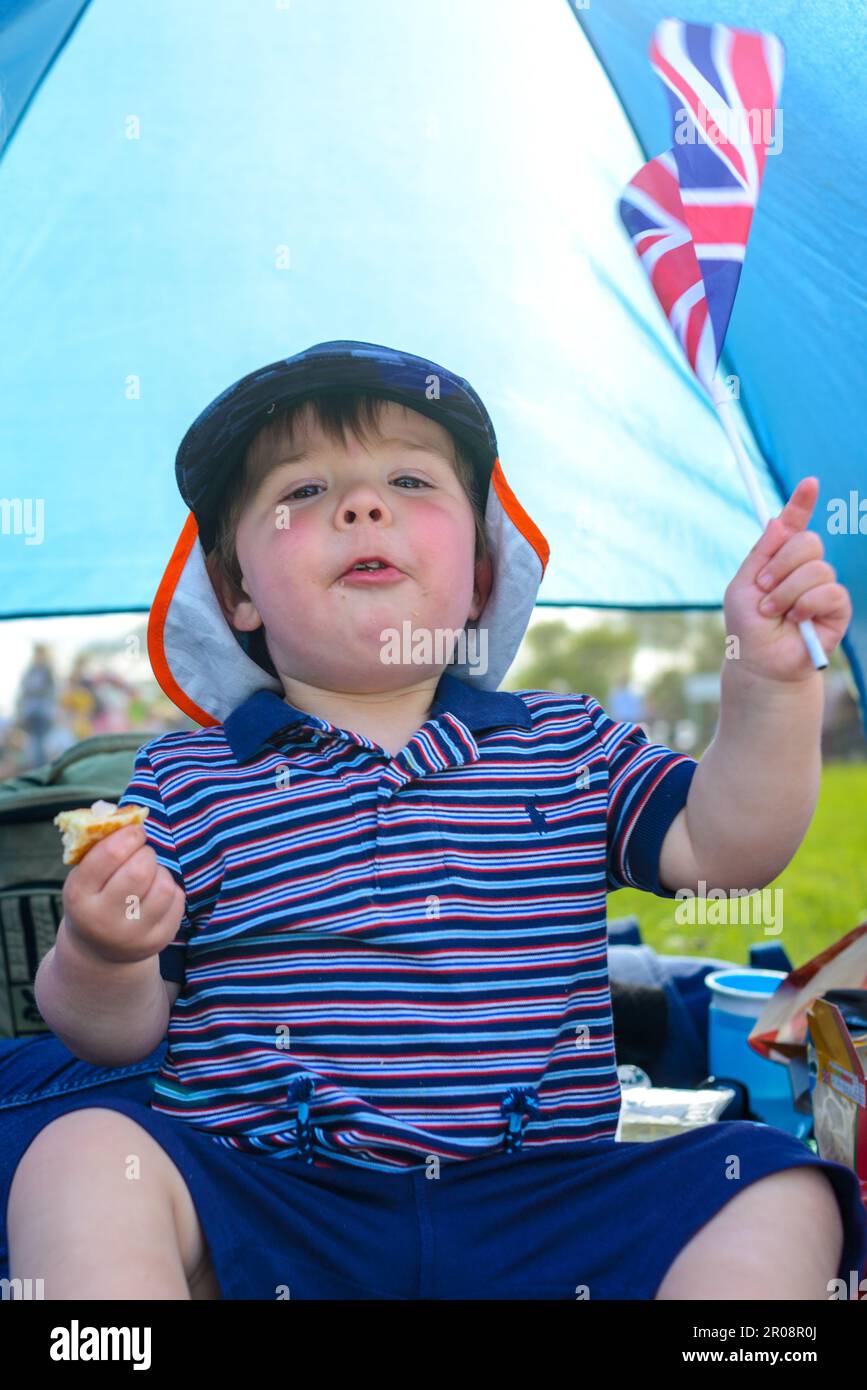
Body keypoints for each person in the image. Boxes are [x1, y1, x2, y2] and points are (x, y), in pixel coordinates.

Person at [4, 340, 863, 1301]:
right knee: (79, 1153)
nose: (361, 506)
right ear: (236, 591)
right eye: (301, 491)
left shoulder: (565, 744)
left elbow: (727, 850)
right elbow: (108, 1037)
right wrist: (102, 955)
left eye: (410, 480)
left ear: (483, 576)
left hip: (542, 1207)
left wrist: (768, 684)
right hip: (276, 1205)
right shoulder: (188, 779)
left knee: (776, 1184)